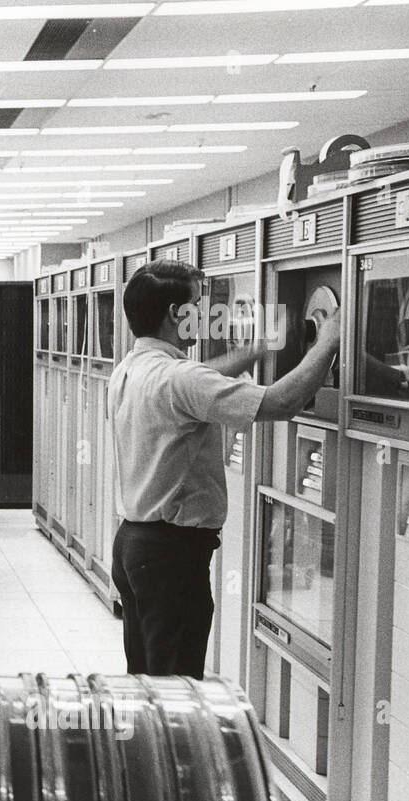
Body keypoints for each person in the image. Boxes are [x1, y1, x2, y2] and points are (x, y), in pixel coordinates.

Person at [108, 259, 340, 679]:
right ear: (175, 315)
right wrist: (330, 340)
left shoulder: (132, 368)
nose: (204, 315)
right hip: (171, 555)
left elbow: (198, 382)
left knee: (146, 679)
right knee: (175, 689)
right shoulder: (180, 377)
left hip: (134, 545)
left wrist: (256, 351)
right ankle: (173, 747)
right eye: (197, 305)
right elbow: (281, 403)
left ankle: (143, 745)